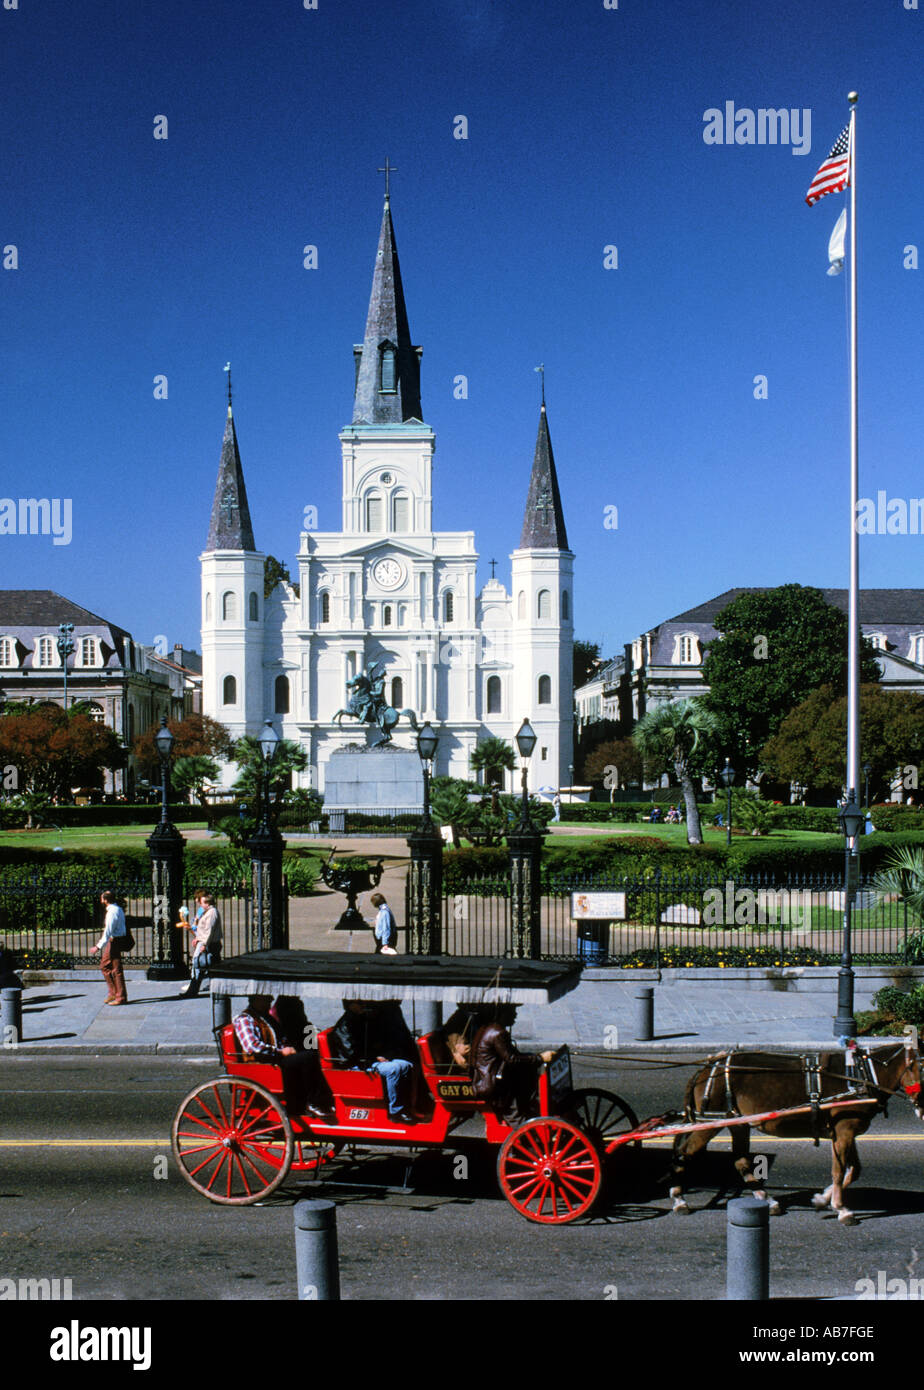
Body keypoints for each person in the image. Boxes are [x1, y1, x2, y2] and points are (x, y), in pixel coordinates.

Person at [232, 994, 332, 1118]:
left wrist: (292, 1047)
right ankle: (313, 1102)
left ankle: (314, 1099)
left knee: (310, 1054)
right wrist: (280, 1051)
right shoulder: (245, 1019)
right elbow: (252, 1046)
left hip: (277, 1057)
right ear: (256, 1000)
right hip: (265, 1061)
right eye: (267, 1000)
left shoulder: (266, 1018)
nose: (270, 1003)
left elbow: (281, 1037)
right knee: (308, 1057)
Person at [328, 999, 417, 1123]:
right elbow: (351, 1054)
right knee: (394, 1069)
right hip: (356, 1064)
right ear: (351, 1005)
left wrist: (382, 1054)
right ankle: (395, 1111)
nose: (363, 1005)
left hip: (368, 1059)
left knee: (406, 1065)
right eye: (359, 1003)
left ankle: (407, 1106)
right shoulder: (344, 1026)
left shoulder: (361, 1019)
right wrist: (374, 1058)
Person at [470, 1005, 552, 1125]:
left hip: (492, 1076)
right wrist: (540, 1058)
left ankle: (530, 1107)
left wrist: (535, 1058)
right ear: (501, 1014)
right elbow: (512, 1059)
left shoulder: (491, 1029)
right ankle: (519, 1123)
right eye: (512, 1011)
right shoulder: (498, 1033)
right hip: (493, 1084)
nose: (515, 1015)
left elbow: (514, 1055)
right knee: (514, 1106)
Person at [90, 890, 129, 1006]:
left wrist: (98, 946)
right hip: (115, 940)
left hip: (115, 941)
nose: (101, 900)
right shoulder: (118, 909)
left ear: (105, 900)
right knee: (105, 966)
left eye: (102, 898)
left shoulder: (112, 912)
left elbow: (108, 931)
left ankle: (120, 997)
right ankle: (113, 992)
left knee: (116, 970)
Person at [180, 892, 222, 997]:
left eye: (202, 902)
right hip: (205, 942)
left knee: (199, 965)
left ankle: (193, 991)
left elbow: (209, 930)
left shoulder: (212, 913)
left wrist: (204, 944)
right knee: (206, 966)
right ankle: (194, 990)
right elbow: (203, 929)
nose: (200, 904)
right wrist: (198, 938)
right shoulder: (207, 912)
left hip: (209, 944)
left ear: (207, 903)